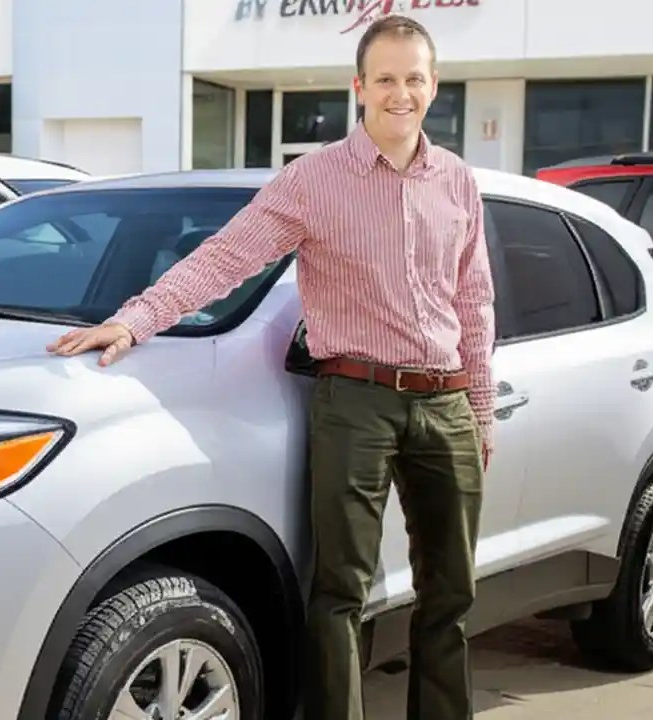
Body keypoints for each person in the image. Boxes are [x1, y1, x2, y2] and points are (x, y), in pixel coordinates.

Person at [47, 13, 495, 720]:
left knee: (452, 593)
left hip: (445, 405)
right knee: (340, 592)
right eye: (386, 79)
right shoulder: (315, 180)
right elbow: (227, 257)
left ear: (433, 86)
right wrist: (136, 319)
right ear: (360, 88)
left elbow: (473, 299)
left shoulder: (458, 181)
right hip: (356, 401)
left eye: (414, 78)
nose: (400, 93)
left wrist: (481, 406)